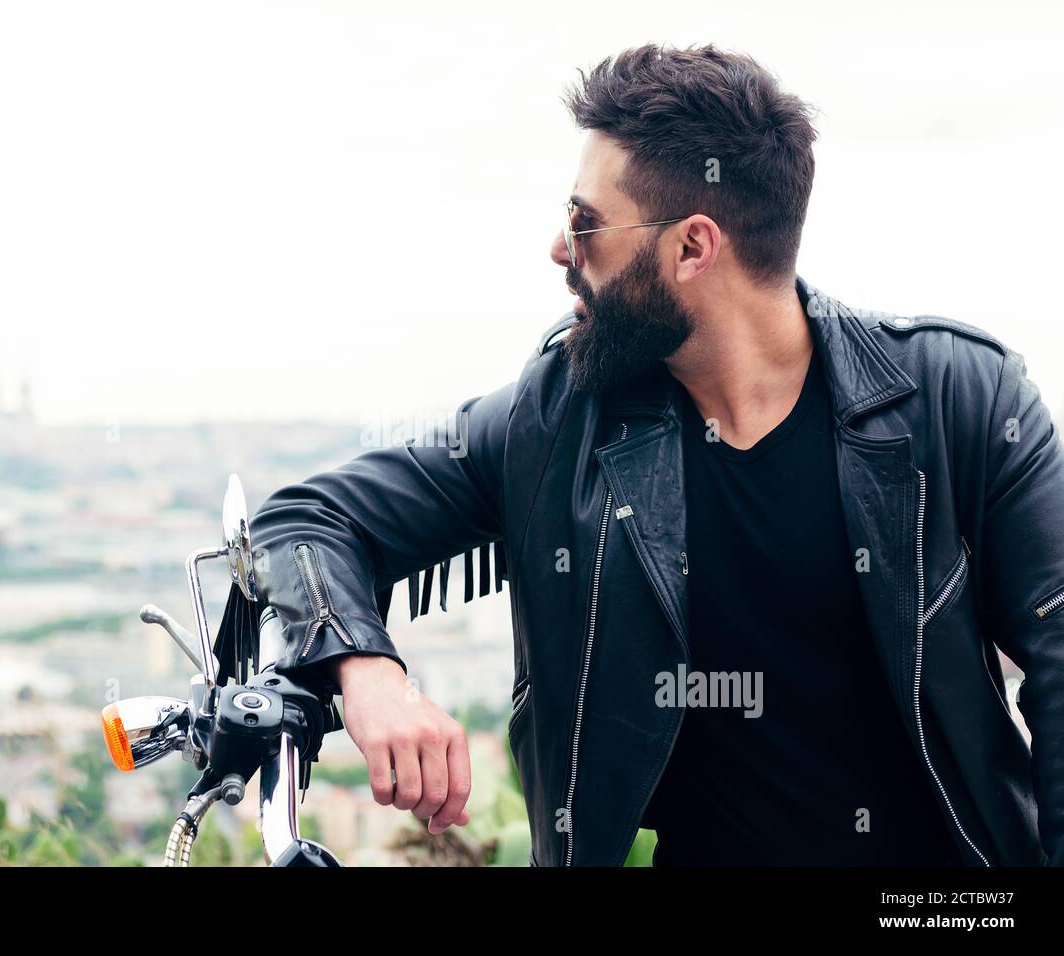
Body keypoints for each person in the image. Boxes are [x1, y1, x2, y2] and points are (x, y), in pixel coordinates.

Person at [249, 43, 1062, 866]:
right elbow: (302, 522)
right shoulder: (559, 418)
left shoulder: (963, 398)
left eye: (585, 221)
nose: (562, 251)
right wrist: (366, 667)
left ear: (691, 249)